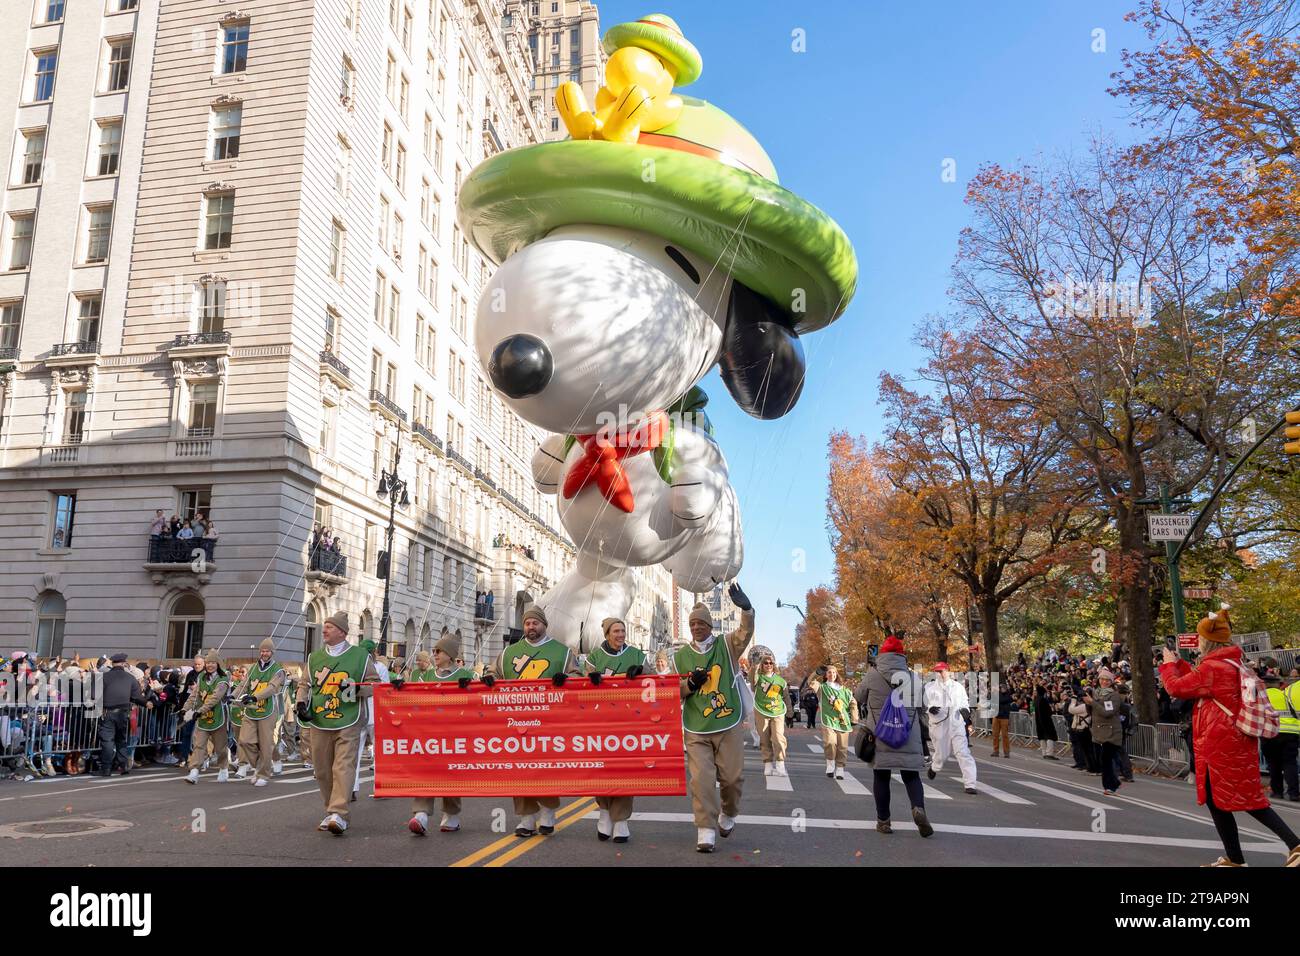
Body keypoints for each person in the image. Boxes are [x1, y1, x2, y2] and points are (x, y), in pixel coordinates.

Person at [1160, 606, 1300, 867]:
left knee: (1247, 798)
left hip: (1221, 743)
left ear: (1206, 641)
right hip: (1231, 740)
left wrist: (1169, 666)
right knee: (1221, 800)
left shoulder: (1213, 668)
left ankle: (1294, 844)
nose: (1198, 642)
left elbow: (1177, 687)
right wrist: (1178, 663)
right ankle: (1234, 858)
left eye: (1200, 638)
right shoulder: (1229, 663)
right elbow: (1196, 679)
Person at [486, 604, 578, 837]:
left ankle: (547, 811)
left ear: (544, 625)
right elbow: (493, 673)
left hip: (549, 721)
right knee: (519, 770)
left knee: (545, 769)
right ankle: (526, 818)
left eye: (535, 623)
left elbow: (579, 676)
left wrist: (566, 678)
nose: (530, 627)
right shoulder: (509, 652)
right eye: (527, 623)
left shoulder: (562, 651)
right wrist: (488, 678)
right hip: (516, 722)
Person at [674, 583, 754, 853]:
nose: (696, 627)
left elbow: (745, 632)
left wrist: (747, 609)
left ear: (709, 625)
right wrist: (690, 686)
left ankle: (728, 813)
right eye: (692, 623)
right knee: (701, 780)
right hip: (696, 727)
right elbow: (674, 691)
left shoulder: (727, 645)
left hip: (728, 723)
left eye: (701, 623)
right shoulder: (680, 657)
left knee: (732, 779)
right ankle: (705, 829)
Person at [296, 612, 381, 834]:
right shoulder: (314, 658)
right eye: (324, 626)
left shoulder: (361, 656)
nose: (324, 630)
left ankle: (339, 813)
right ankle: (330, 810)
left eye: (329, 627)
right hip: (320, 719)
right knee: (323, 770)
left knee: (342, 766)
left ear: (342, 632)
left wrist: (355, 689)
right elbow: (304, 684)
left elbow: (375, 685)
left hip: (350, 720)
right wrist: (301, 704)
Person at [394, 632, 475, 835]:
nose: (435, 654)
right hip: (428, 733)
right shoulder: (426, 676)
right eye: (434, 651)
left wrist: (470, 689)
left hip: (454, 734)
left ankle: (452, 814)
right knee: (425, 771)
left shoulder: (464, 675)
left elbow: (477, 702)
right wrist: (399, 688)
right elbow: (413, 699)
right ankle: (421, 814)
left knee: (450, 773)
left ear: (450, 654)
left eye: (439, 651)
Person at [857, 635, 931, 837]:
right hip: (908, 734)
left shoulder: (872, 675)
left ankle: (884, 821)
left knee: (881, 777)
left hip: (880, 734)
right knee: (911, 776)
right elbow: (923, 707)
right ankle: (918, 808)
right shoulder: (914, 678)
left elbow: (858, 696)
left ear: (882, 655)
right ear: (902, 655)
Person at [584, 617, 646, 843]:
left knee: (624, 769)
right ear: (607, 634)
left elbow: (654, 683)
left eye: (623, 631)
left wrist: (641, 673)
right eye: (616, 631)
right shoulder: (594, 658)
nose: (620, 635)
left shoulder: (638, 655)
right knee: (602, 769)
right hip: (601, 722)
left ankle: (621, 820)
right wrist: (589, 679)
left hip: (629, 721)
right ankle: (604, 812)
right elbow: (582, 686)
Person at [233, 638, 286, 787]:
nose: (264, 653)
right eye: (262, 650)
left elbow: (272, 688)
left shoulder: (278, 670)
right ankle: (258, 766)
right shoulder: (253, 668)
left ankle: (263, 774)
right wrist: (233, 695)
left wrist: (255, 697)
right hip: (251, 711)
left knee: (265, 743)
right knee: (244, 740)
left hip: (268, 711)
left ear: (272, 652)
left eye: (267, 651)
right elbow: (244, 685)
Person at [97, 653, 154, 777]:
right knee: (121, 740)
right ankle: (123, 767)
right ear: (124, 664)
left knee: (107, 741)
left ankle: (106, 769)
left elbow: (94, 695)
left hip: (107, 713)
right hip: (123, 713)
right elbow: (137, 697)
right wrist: (146, 703)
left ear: (112, 664)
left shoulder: (104, 677)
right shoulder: (130, 678)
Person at [924, 663, 977, 793]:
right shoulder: (930, 687)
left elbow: (964, 701)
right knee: (942, 754)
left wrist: (966, 711)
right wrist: (930, 708)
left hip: (956, 723)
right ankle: (935, 767)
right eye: (937, 672)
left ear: (948, 671)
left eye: (941, 671)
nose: (939, 674)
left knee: (963, 753)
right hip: (939, 724)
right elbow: (925, 702)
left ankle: (970, 784)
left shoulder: (958, 687)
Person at [182, 649, 231, 784]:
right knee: (198, 744)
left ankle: (223, 768)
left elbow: (215, 698)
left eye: (213, 662)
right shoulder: (201, 677)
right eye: (208, 662)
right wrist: (185, 708)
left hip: (218, 717)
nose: (210, 665)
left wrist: (200, 710)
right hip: (203, 718)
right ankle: (194, 771)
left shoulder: (223, 679)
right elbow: (194, 695)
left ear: (218, 664)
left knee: (220, 747)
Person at [1079, 668, 1125, 795]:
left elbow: (1107, 712)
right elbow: (1092, 711)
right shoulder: (1096, 693)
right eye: (1102, 679)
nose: (1104, 682)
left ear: (1111, 682)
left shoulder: (1114, 696)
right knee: (1104, 759)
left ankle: (1110, 786)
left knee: (1107, 760)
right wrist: (1088, 702)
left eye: (1107, 680)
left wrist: (1092, 702)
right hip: (1098, 732)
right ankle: (1114, 782)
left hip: (1111, 732)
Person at [808, 664, 857, 780]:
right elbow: (811, 682)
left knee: (842, 746)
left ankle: (840, 768)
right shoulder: (821, 688)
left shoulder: (845, 690)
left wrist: (854, 717)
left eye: (834, 672)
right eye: (829, 672)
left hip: (843, 721)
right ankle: (830, 763)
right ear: (825, 675)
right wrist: (816, 673)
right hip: (828, 720)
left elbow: (853, 703)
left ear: (837, 674)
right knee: (830, 742)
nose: (832, 674)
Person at [1262, 671, 1299, 802]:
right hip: (1290, 733)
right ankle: (1294, 793)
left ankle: (1277, 792)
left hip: (1269, 733)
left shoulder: (1262, 697)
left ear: (1264, 685)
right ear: (1278, 684)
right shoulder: (1285, 695)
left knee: (1273, 764)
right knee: (1290, 763)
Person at [751, 653, 788, 776]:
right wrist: (755, 663)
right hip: (761, 711)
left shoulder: (781, 681)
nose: (768, 665)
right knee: (764, 738)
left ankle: (780, 763)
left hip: (777, 712)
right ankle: (768, 764)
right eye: (765, 663)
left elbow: (786, 697)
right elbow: (752, 678)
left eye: (771, 663)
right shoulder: (758, 678)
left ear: (774, 665)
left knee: (778, 737)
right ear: (762, 665)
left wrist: (791, 713)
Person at [1033, 681, 1059, 759]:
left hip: (1039, 721)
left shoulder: (1036, 700)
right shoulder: (1043, 700)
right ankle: (1049, 753)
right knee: (1050, 736)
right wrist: (1052, 709)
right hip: (1046, 720)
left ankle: (1044, 753)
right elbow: (1048, 711)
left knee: (1042, 736)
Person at [991, 675, 1012, 757]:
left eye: (1003, 688)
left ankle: (1006, 752)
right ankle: (995, 751)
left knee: (1005, 735)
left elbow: (1003, 700)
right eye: (1001, 688)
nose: (1002, 689)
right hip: (996, 716)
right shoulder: (997, 694)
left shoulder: (1007, 695)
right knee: (995, 735)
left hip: (1004, 717)